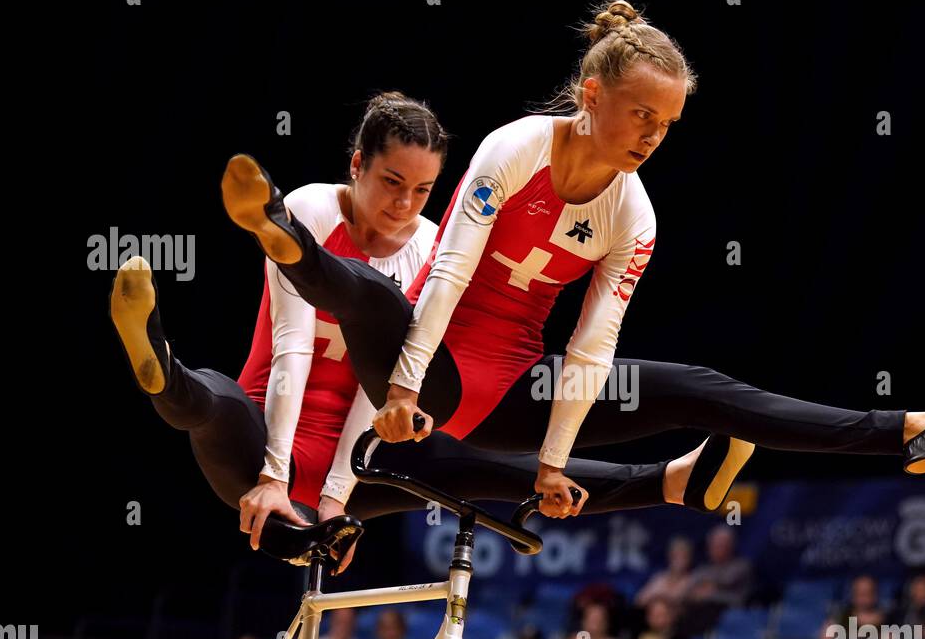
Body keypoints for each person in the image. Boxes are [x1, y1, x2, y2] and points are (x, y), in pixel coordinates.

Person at [222, 0, 925, 521]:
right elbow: (453, 272)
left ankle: (908, 430)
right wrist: (401, 389)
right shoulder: (515, 148)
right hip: (424, 362)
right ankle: (283, 232)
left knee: (700, 389)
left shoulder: (633, 215)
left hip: (511, 390)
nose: (651, 134)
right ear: (593, 94)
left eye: (667, 123)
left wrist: (552, 461)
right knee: (367, 296)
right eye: (641, 112)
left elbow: (591, 348)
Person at [111, 93, 754, 576]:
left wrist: (335, 500)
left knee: (498, 465)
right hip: (261, 446)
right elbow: (292, 349)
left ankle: (674, 480)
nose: (403, 205)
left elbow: (388, 384)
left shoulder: (430, 247)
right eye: (391, 183)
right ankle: (158, 359)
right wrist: (278, 478)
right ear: (357, 165)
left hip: (362, 462)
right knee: (209, 402)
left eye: (422, 191)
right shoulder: (310, 206)